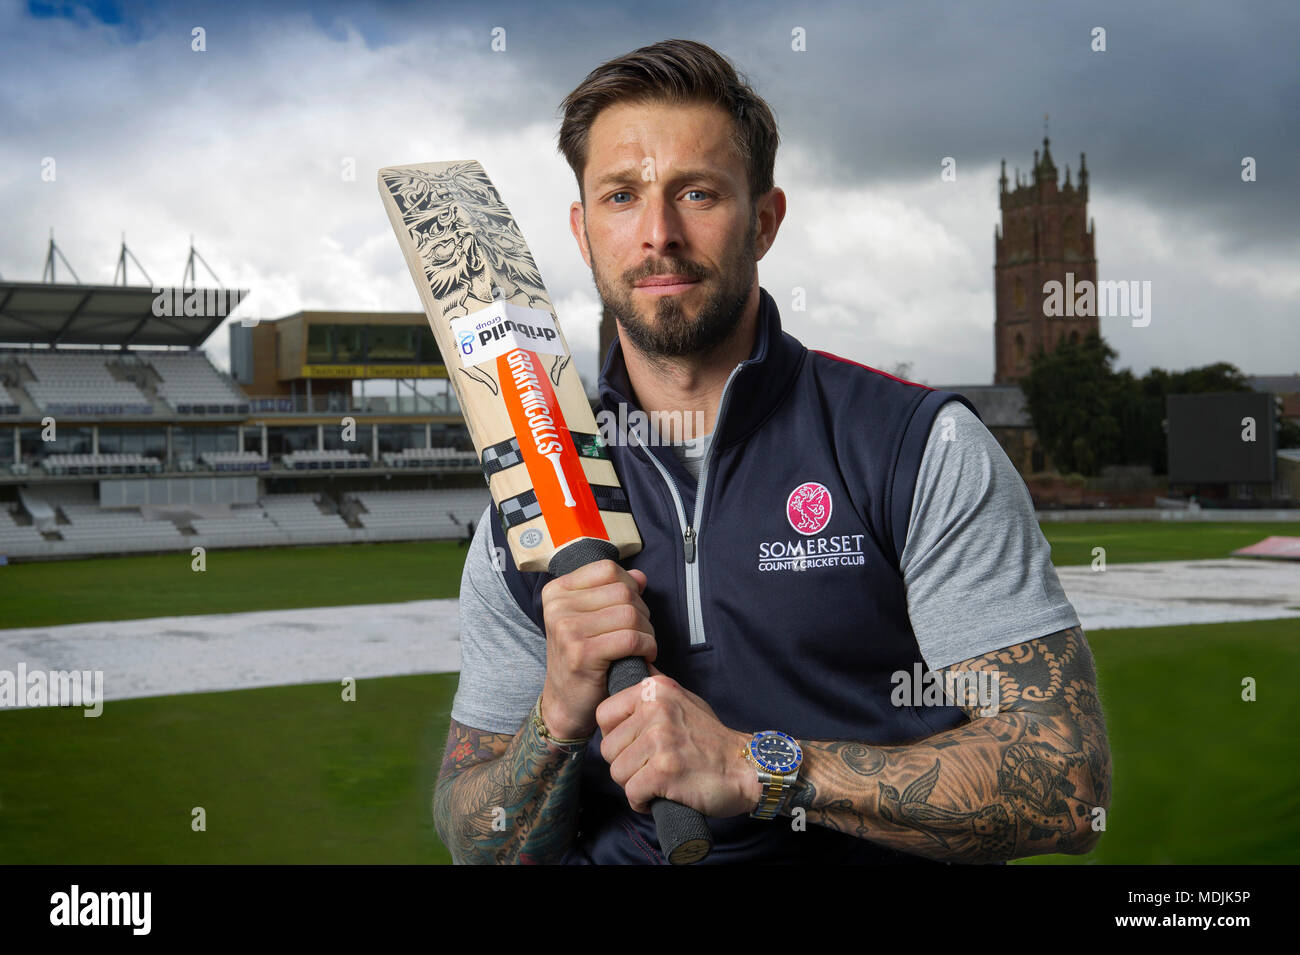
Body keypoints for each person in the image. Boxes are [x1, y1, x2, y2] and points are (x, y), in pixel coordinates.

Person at [434, 39, 1111, 864]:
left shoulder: (914, 448)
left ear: (764, 219)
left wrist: (758, 767)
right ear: (582, 230)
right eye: (621, 196)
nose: (658, 234)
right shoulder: (526, 503)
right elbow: (476, 841)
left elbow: (1068, 783)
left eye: (697, 192)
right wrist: (556, 713)